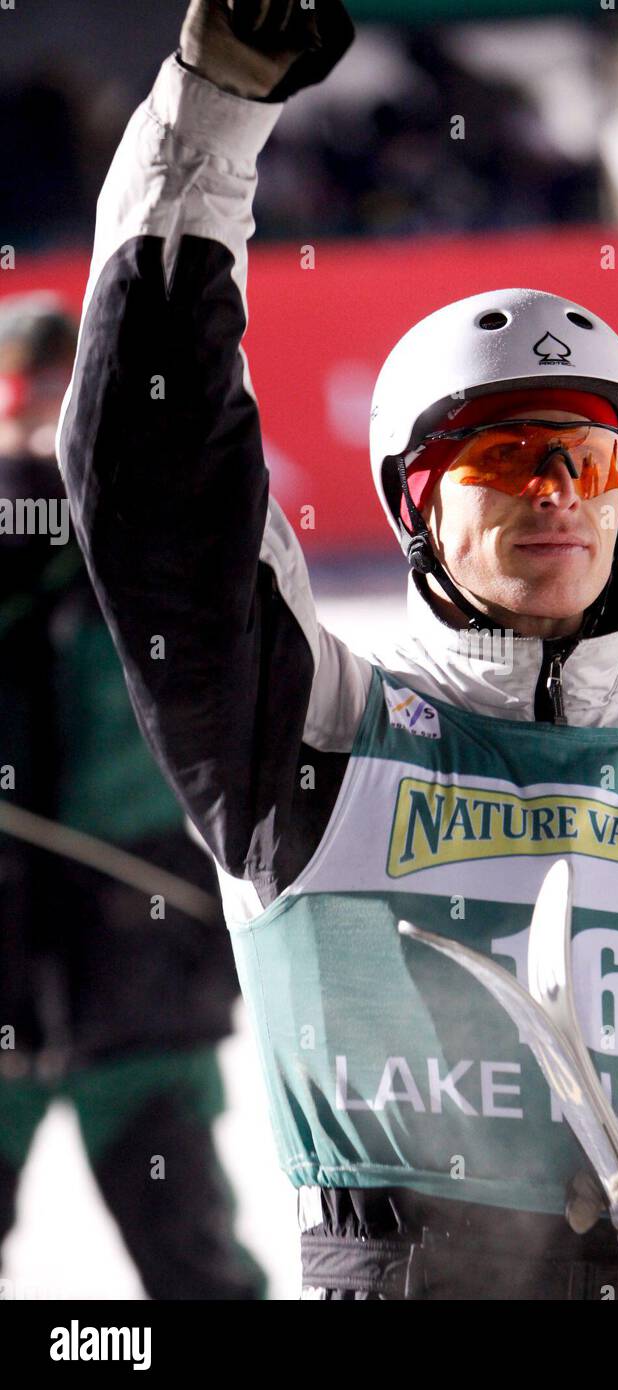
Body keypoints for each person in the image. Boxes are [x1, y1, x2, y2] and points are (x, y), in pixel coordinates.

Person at [58, 0, 618, 1301]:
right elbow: (153, 471)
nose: (554, 494)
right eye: (506, 457)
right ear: (417, 501)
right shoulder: (310, 737)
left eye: (585, 459)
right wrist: (213, 110)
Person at [0, 292, 266, 1301]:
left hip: (141, 971)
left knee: (191, 1258)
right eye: (17, 411)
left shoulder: (158, 543)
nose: (35, 440)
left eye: (55, 410)